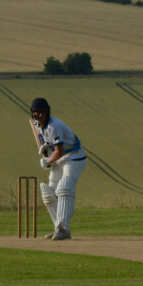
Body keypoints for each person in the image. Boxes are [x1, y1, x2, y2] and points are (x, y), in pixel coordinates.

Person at [30, 97, 87, 240]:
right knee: (49, 193)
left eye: (43, 112)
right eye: (37, 113)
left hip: (74, 157)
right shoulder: (38, 125)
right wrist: (46, 150)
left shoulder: (54, 125)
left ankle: (62, 228)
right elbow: (52, 147)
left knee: (65, 187)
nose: (40, 115)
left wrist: (47, 161)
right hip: (60, 159)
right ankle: (60, 229)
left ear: (47, 112)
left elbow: (59, 151)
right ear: (33, 114)